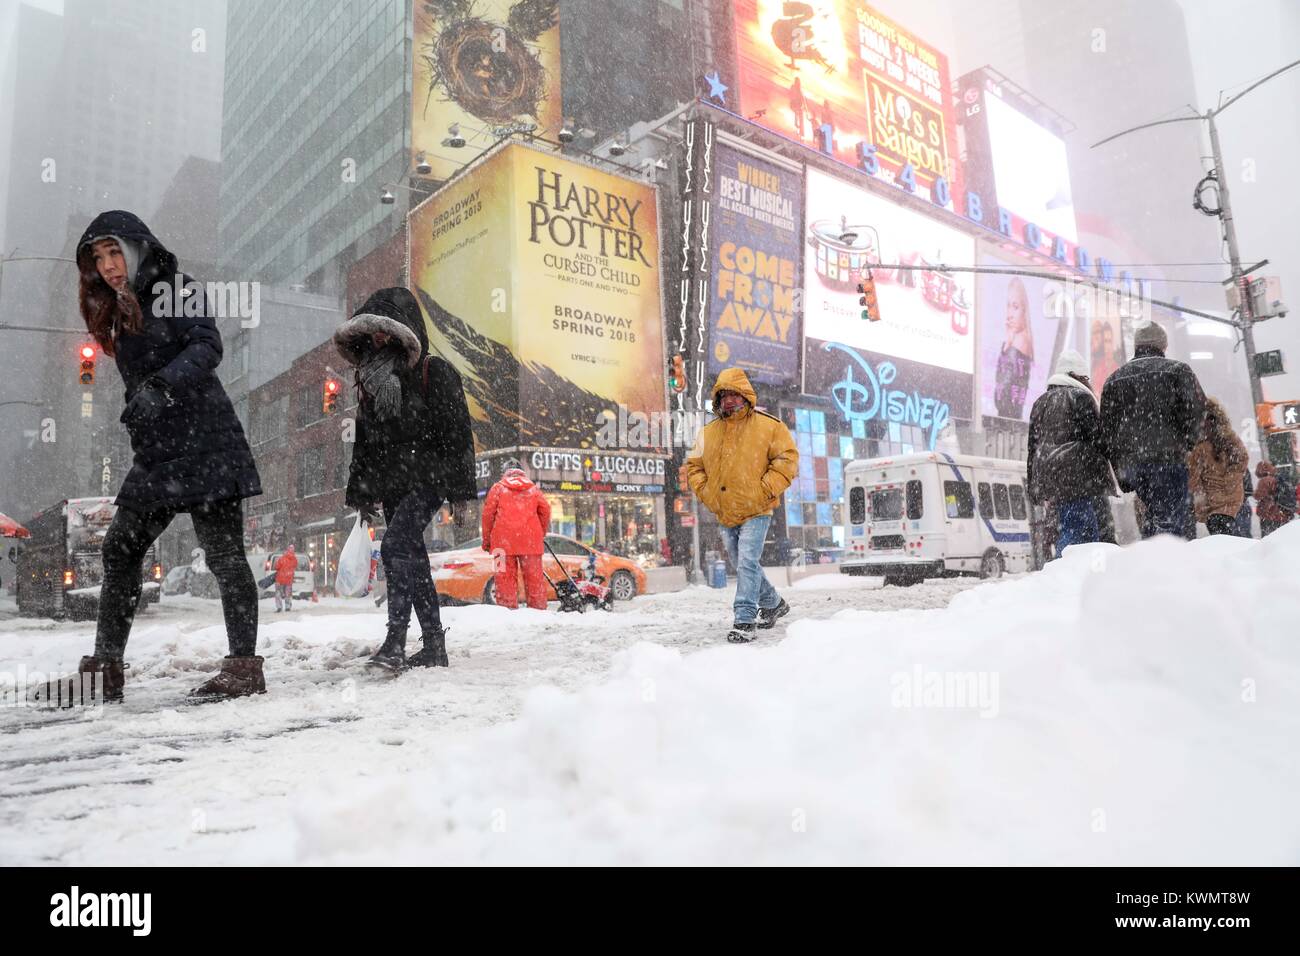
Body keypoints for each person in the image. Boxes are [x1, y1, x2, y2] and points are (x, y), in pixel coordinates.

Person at [73, 211, 264, 702]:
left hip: (206, 441)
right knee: (120, 547)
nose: (109, 266)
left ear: (137, 247)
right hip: (158, 454)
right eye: (99, 258)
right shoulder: (121, 308)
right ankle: (105, 669)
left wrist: (162, 386)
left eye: (115, 252)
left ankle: (243, 668)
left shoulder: (177, 288)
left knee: (223, 555)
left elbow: (207, 345)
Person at [336, 287, 476, 670]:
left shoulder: (436, 372)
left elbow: (459, 433)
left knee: (396, 549)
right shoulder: (370, 381)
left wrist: (463, 494)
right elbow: (364, 445)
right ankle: (434, 646)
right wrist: (362, 495)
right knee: (412, 560)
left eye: (388, 330)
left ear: (405, 331)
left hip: (430, 478)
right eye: (374, 332)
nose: (380, 339)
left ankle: (395, 642)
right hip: (394, 484)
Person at [685, 368, 798, 643]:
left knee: (747, 561)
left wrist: (764, 490)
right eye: (724, 396)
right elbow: (693, 467)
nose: (729, 401)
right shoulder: (708, 433)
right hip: (726, 511)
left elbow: (787, 460)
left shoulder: (769, 426)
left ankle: (745, 620)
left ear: (746, 396)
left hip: (758, 509)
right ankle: (773, 603)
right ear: (718, 399)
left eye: (735, 395)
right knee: (742, 563)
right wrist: (709, 494)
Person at [1100, 322, 1205, 538]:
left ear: (1136, 346)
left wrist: (1123, 474)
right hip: (1169, 459)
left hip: (1134, 466)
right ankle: (1169, 565)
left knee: (1151, 516)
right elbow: (1197, 413)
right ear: (1163, 345)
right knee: (1172, 521)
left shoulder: (1114, 380)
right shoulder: (1178, 371)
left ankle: (1152, 560)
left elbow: (1107, 433)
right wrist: (1187, 444)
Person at [1026, 350, 1116, 557]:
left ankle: (1069, 570)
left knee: (1071, 526)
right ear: (1077, 375)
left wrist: (1034, 486)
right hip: (1079, 478)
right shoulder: (1081, 397)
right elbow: (1098, 440)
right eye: (1085, 377)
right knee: (1081, 532)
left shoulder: (1040, 403)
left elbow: (1032, 449)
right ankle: (1068, 573)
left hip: (1052, 479)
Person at [481, 459, 551, 610]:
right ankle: (538, 612)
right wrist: (540, 534)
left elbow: (487, 516)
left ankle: (507, 612)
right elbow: (545, 511)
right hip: (531, 542)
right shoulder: (533, 489)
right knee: (534, 580)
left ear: (504, 472)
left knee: (503, 580)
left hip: (502, 545)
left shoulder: (497, 488)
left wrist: (487, 541)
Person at [1187, 398, 1248, 536]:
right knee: (1225, 537)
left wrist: (1227, 479)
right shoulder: (1228, 441)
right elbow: (1242, 460)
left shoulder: (1203, 447)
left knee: (1222, 539)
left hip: (1218, 501)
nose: (1204, 423)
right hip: (1222, 501)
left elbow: (1193, 478)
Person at [993, 278, 1035, 419]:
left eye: (1015, 307)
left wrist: (1007, 347)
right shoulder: (1024, 340)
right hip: (1013, 423)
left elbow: (1001, 398)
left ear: (1024, 310)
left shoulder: (1020, 342)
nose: (1009, 314)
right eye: (1008, 306)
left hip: (1006, 424)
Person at [1253, 461, 1295, 537]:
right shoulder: (1277, 477)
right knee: (1281, 538)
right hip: (1282, 514)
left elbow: (1259, 495)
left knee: (1268, 539)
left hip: (1269, 514)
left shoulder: (1265, 480)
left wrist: (1254, 494)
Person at [274, 545, 298, 612]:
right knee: (288, 594)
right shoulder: (294, 559)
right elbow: (295, 566)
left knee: (278, 593)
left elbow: (277, 567)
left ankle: (279, 607)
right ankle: (287, 607)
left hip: (280, 578)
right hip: (289, 579)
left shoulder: (282, 558)